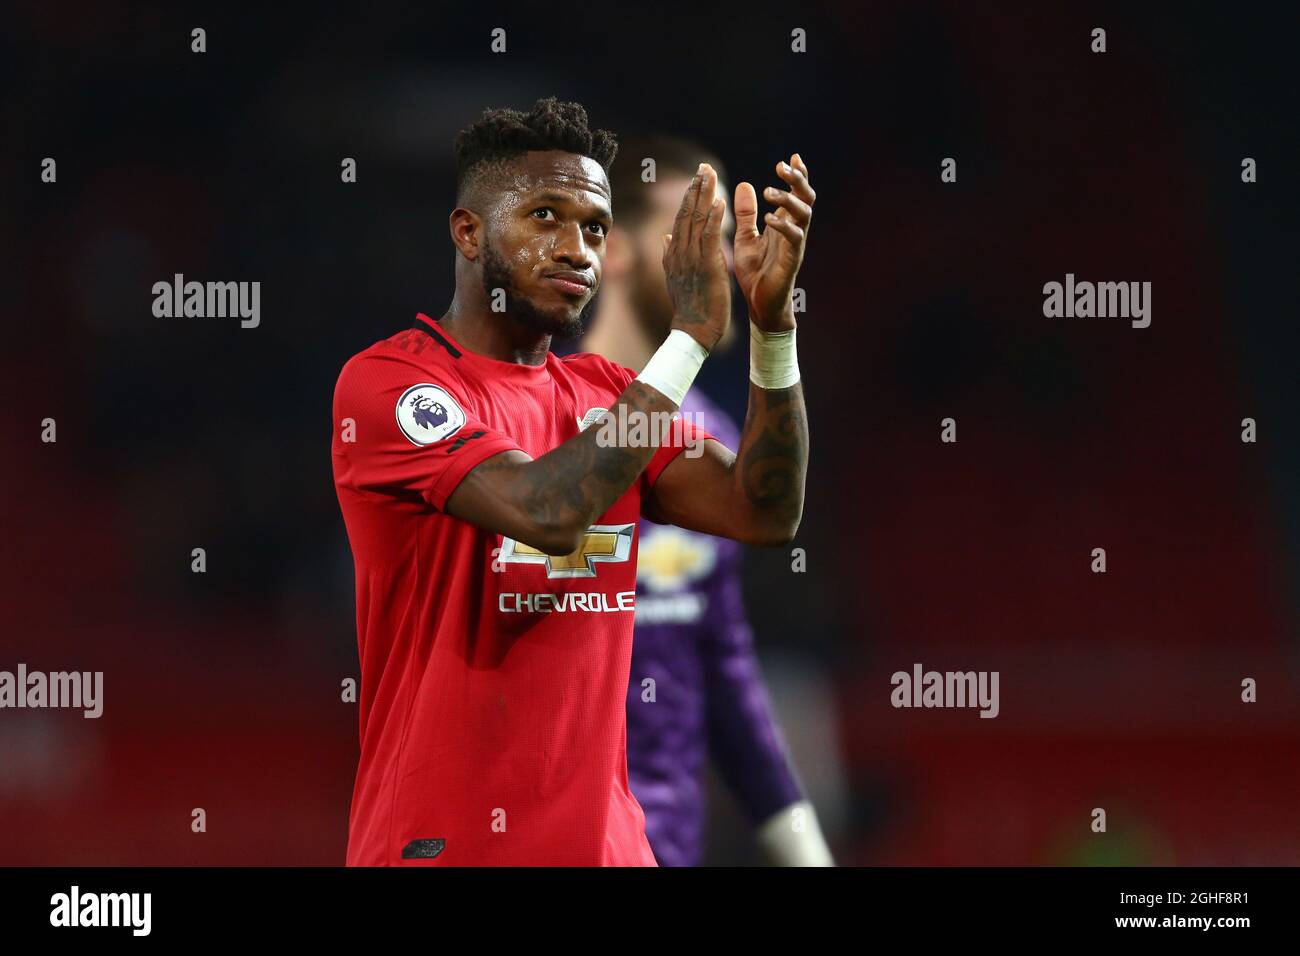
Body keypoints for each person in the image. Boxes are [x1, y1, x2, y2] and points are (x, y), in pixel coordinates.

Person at [331, 97, 814, 865]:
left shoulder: (606, 391)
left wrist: (773, 329)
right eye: (544, 217)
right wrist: (688, 337)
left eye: (593, 227)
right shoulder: (393, 383)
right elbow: (546, 508)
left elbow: (764, 510)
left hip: (608, 850)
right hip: (443, 847)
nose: (576, 248)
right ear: (468, 232)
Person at [584, 135, 832, 866]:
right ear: (615, 251)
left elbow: (727, 675)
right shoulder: (537, 425)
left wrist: (808, 852)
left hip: (668, 848)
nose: (719, 259)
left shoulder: (714, 443)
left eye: (722, 236)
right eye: (691, 233)